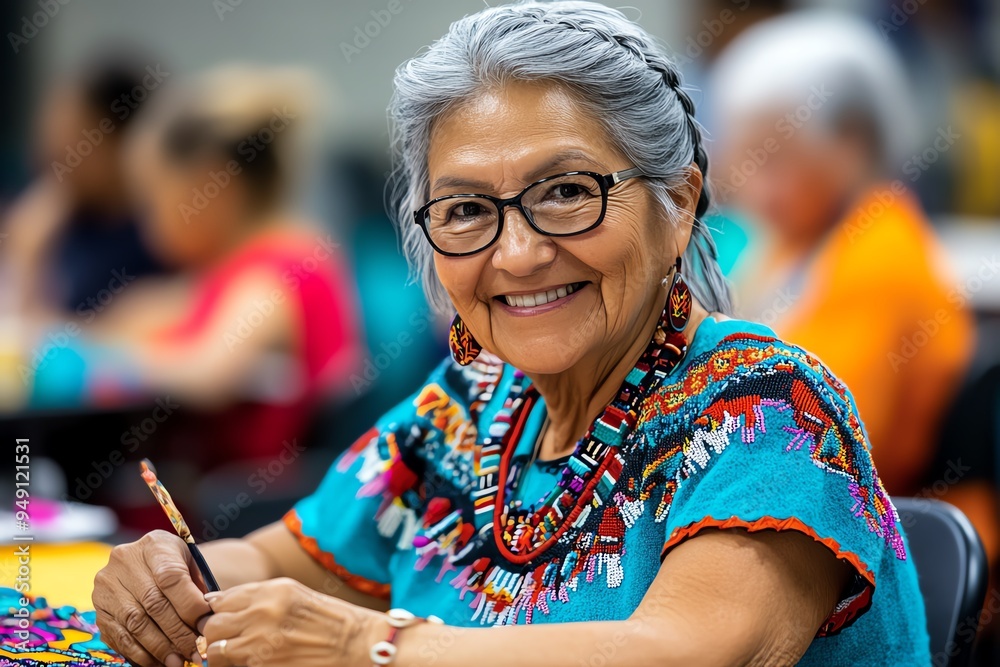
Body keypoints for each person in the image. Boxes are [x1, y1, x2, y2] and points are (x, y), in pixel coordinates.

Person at [91, 3, 931, 666]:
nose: (518, 252)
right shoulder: (467, 411)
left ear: (678, 204)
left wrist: (364, 645)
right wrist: (172, 573)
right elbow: (273, 561)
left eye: (566, 191)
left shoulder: (766, 410)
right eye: (465, 211)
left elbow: (691, 650)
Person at [708, 12, 994, 560]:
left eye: (777, 160)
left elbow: (819, 443)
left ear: (852, 142)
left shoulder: (878, 252)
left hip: (879, 545)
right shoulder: (799, 242)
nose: (753, 186)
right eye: (746, 159)